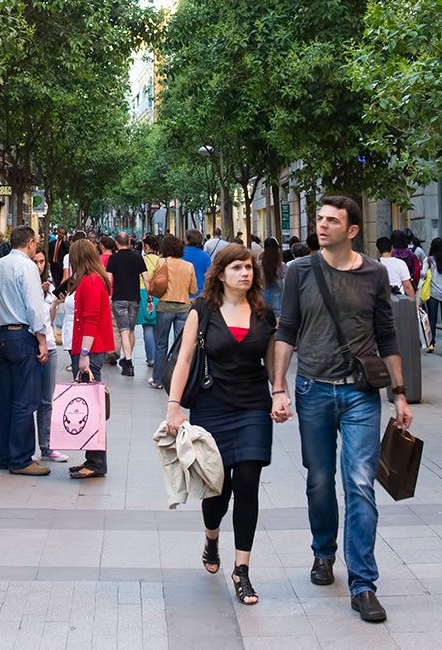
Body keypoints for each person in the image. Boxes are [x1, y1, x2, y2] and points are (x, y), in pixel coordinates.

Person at [271, 195, 410, 624]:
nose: (323, 225)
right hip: (312, 390)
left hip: (359, 395)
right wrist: (278, 387)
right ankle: (323, 551)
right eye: (320, 219)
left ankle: (364, 584)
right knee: (319, 480)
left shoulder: (374, 273)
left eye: (333, 220)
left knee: (360, 484)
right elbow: (287, 330)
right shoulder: (300, 271)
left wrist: (400, 393)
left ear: (352, 230)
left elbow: (387, 335)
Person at [163, 244, 279, 607]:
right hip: (212, 408)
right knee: (218, 488)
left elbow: (273, 361)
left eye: (249, 267)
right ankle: (211, 537)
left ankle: (241, 569)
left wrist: (279, 392)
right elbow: (183, 360)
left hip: (253, 410)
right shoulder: (203, 311)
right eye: (237, 268)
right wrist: (173, 406)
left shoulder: (264, 314)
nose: (245, 273)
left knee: (247, 482)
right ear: (221, 273)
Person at [0, 226, 52, 476]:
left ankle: (5, 455)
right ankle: (22, 459)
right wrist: (42, 340)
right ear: (31, 243)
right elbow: (34, 308)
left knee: (7, 399)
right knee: (25, 400)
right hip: (21, 335)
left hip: (1, 334)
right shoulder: (26, 267)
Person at [66, 238, 115, 479]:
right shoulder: (94, 279)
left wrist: (84, 355)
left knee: (91, 406)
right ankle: (92, 459)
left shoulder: (91, 281)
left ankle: (96, 462)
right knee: (89, 404)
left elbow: (91, 319)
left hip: (90, 350)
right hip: (89, 349)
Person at [31, 247, 67, 462]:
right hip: (34, 346)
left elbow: (50, 319)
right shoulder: (27, 284)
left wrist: (54, 301)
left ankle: (46, 446)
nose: (40, 265)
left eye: (42, 261)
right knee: (28, 400)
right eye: (36, 261)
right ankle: (26, 448)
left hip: (51, 346)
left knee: (47, 400)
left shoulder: (49, 286)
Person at [152, 234, 200, 391]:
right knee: (182, 346)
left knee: (161, 345)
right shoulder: (188, 266)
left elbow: (154, 283)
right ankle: (180, 380)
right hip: (184, 308)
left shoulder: (161, 262)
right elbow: (193, 290)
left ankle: (158, 379)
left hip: (165, 307)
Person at [107, 231, 147, 377]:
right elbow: (146, 278)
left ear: (117, 243)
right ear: (129, 242)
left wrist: (108, 294)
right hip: (134, 298)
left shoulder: (113, 258)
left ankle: (128, 362)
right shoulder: (137, 257)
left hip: (119, 298)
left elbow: (108, 278)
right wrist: (149, 298)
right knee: (129, 330)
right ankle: (126, 358)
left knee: (123, 330)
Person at [138, 234, 163, 385]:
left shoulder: (143, 260)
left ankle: (151, 358)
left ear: (146, 246)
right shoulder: (162, 261)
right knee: (157, 327)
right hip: (159, 293)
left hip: (144, 292)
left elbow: (143, 278)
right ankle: (158, 357)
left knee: (147, 326)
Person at [374, 237, 414, 303]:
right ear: (392, 248)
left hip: (381, 301)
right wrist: (414, 303)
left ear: (378, 250)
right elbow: (407, 286)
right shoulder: (401, 263)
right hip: (398, 301)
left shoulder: (374, 265)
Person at [260, 238, 285, 317]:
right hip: (278, 294)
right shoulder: (281, 264)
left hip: (263, 292)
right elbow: (286, 278)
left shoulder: (259, 263)